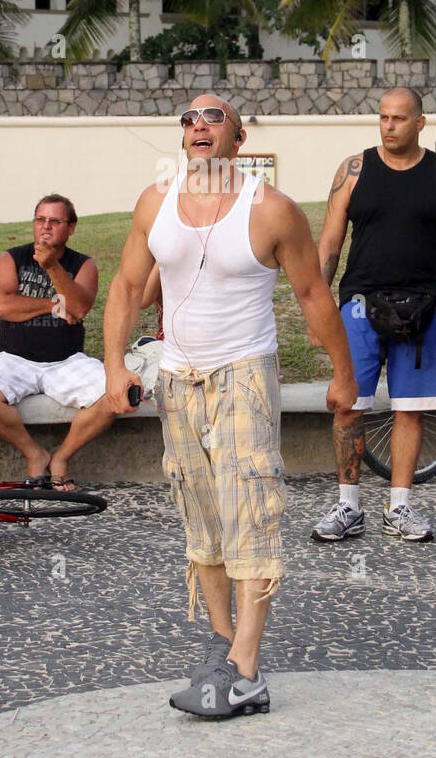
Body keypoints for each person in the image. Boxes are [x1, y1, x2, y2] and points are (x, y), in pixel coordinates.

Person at [103, 94, 358, 718]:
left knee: (249, 508)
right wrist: (115, 365)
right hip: (177, 376)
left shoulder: (271, 212)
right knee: (201, 516)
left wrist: (344, 376)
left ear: (238, 140)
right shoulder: (154, 203)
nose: (198, 126)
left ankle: (246, 671)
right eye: (189, 119)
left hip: (244, 373)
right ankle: (222, 642)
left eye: (212, 118)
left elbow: (311, 294)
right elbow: (128, 286)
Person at [310, 87, 436, 543]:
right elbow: (329, 243)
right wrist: (318, 308)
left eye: (399, 119)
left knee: (411, 408)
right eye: (383, 117)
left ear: (420, 123)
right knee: (347, 405)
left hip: (420, 307)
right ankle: (348, 505)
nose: (389, 126)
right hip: (359, 307)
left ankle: (399, 507)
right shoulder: (353, 170)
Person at [0, 194, 155, 488]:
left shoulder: (83, 265)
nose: (45, 227)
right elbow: (1, 307)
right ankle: (35, 455)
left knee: (112, 396)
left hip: (66, 361)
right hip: (15, 358)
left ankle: (61, 457)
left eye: (55, 221)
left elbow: (79, 308)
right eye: (40, 220)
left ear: (71, 228)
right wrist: (54, 304)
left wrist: (54, 268)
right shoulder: (12, 258)